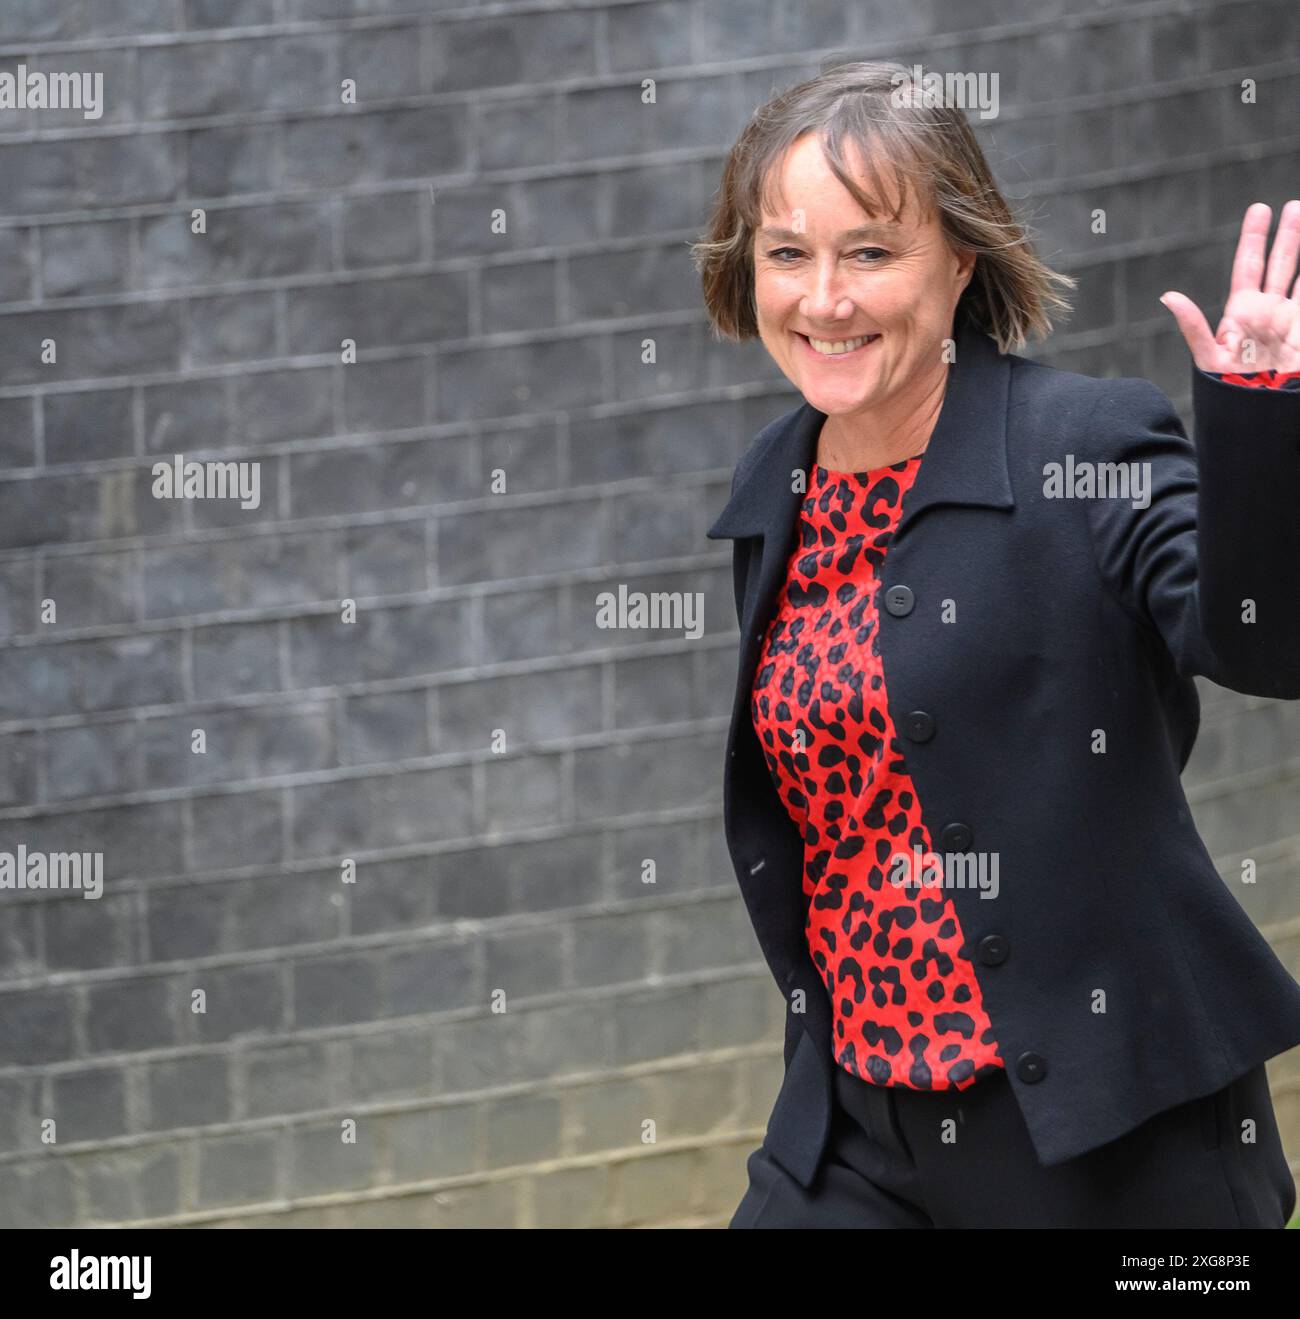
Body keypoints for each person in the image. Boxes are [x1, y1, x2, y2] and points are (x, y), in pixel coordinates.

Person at [693, 60, 1300, 1228]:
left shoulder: (1082, 442)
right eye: (786, 253)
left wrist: (1260, 425)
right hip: (857, 1126)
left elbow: (1266, 648)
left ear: (960, 259)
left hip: (1104, 1136)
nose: (824, 297)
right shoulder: (774, 481)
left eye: (870, 251)